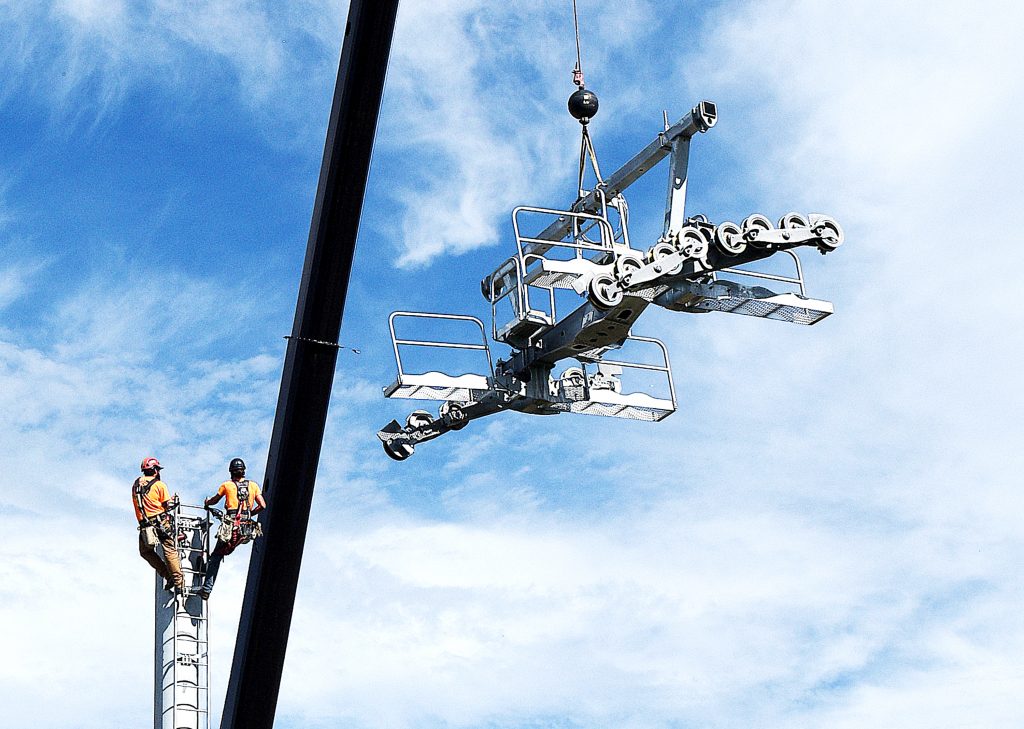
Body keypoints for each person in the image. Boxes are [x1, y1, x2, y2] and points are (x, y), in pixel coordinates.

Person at [199, 457, 266, 598]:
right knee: (220, 553)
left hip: (231, 527)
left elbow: (214, 500)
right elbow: (263, 505)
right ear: (243, 471)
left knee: (217, 556)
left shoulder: (227, 485)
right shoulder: (253, 486)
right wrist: (249, 514)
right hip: (246, 528)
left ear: (231, 472)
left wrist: (207, 503)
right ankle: (206, 570)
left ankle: (206, 589)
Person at [132, 457, 184, 592]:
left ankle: (167, 575)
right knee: (169, 550)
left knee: (145, 551)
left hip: (145, 525)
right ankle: (178, 582)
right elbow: (166, 505)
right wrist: (172, 501)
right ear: (155, 470)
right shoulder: (160, 485)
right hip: (160, 522)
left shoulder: (136, 485)